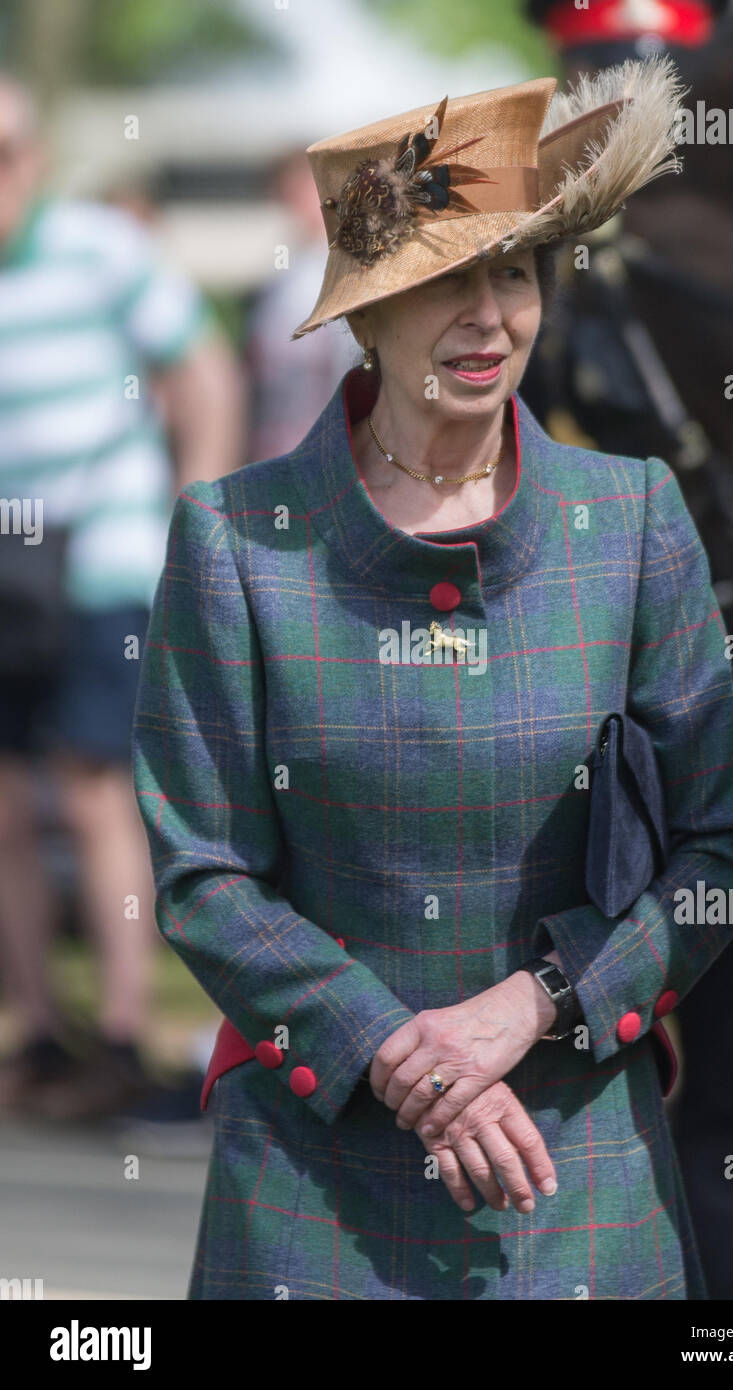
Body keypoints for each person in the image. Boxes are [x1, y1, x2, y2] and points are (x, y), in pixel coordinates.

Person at [132, 62, 733, 1300]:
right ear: (368, 313)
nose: (488, 319)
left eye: (512, 273)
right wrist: (387, 1047)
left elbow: (722, 853)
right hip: (315, 1193)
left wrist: (528, 1006)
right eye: (442, 280)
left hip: (573, 1172)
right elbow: (202, 874)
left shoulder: (630, 518)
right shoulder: (237, 539)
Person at [521, 0, 733, 1298]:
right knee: (703, 1076)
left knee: (650, 1067)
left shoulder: (564, 253)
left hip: (615, 701)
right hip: (698, 696)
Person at [0, 74, 245, 1121]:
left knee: (95, 791)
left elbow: (204, 373)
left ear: (38, 159)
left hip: (101, 562)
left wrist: (195, 522)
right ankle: (41, 1033)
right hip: (9, 573)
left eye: (5, 152)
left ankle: (122, 1034)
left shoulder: (101, 248)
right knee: (6, 803)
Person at [245, 148, 357, 460]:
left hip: (331, 446)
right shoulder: (281, 277)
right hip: (279, 445)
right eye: (285, 191)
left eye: (302, 188)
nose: (291, 201)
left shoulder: (347, 270)